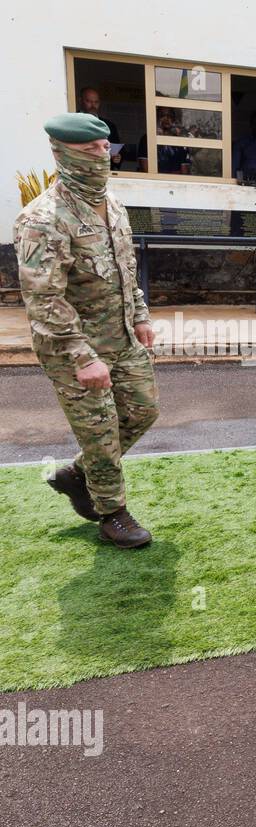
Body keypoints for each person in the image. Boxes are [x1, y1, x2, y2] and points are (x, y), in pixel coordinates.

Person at [14, 112, 159, 548]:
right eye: (90, 150)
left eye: (104, 148)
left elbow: (125, 271)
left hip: (120, 335)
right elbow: (44, 299)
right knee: (100, 429)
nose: (102, 155)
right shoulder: (43, 218)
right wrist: (82, 356)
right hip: (73, 347)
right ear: (62, 153)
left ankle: (76, 475)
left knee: (142, 411)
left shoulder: (112, 205)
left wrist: (140, 315)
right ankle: (111, 513)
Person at [77, 87, 123, 169]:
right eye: (88, 101)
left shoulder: (109, 125)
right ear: (80, 101)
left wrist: (116, 158)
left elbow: (116, 152)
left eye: (96, 102)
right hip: (80, 171)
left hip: (102, 172)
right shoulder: (73, 121)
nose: (93, 105)